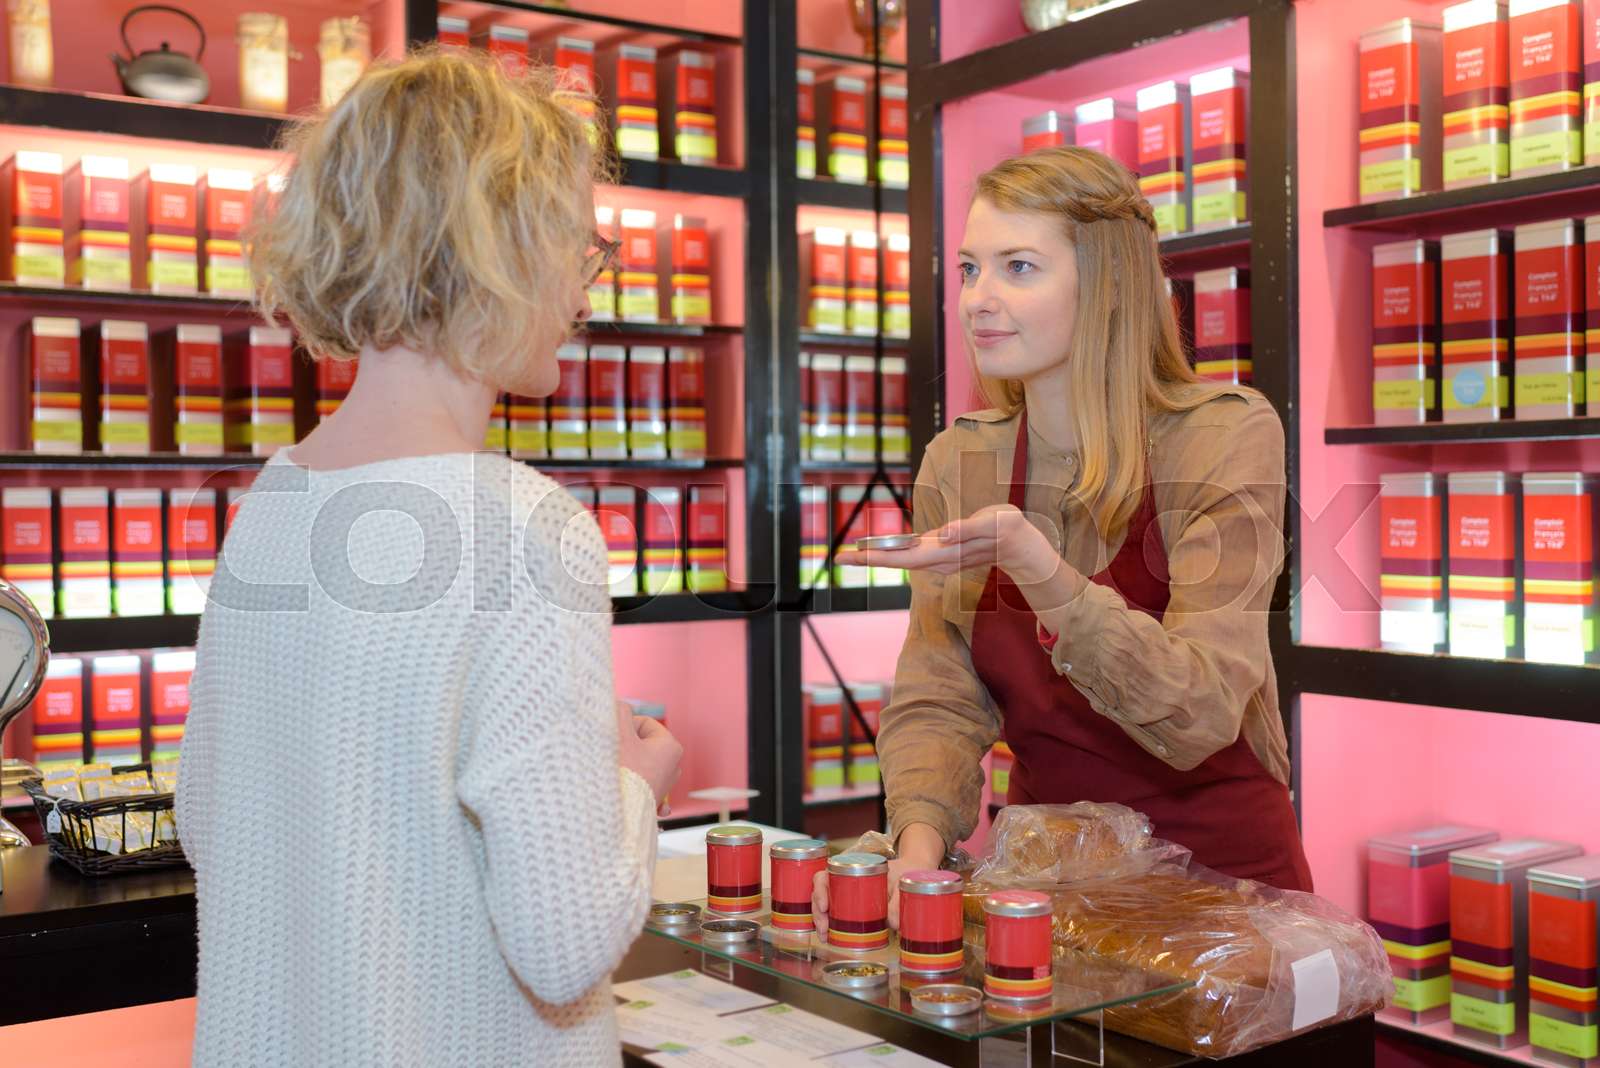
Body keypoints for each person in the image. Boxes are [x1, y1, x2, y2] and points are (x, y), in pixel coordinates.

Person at [175, 49, 682, 1066]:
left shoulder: (274, 503)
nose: (584, 293)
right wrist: (637, 781)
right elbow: (564, 944)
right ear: (500, 244)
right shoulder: (523, 529)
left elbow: (207, 821)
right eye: (579, 246)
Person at [815, 147, 1311, 933]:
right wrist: (915, 851)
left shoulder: (1223, 435)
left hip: (1224, 902)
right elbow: (941, 692)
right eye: (970, 269)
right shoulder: (962, 458)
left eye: (1018, 267)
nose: (979, 298)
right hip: (1048, 897)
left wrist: (1039, 569)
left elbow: (1202, 710)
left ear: (1107, 283)